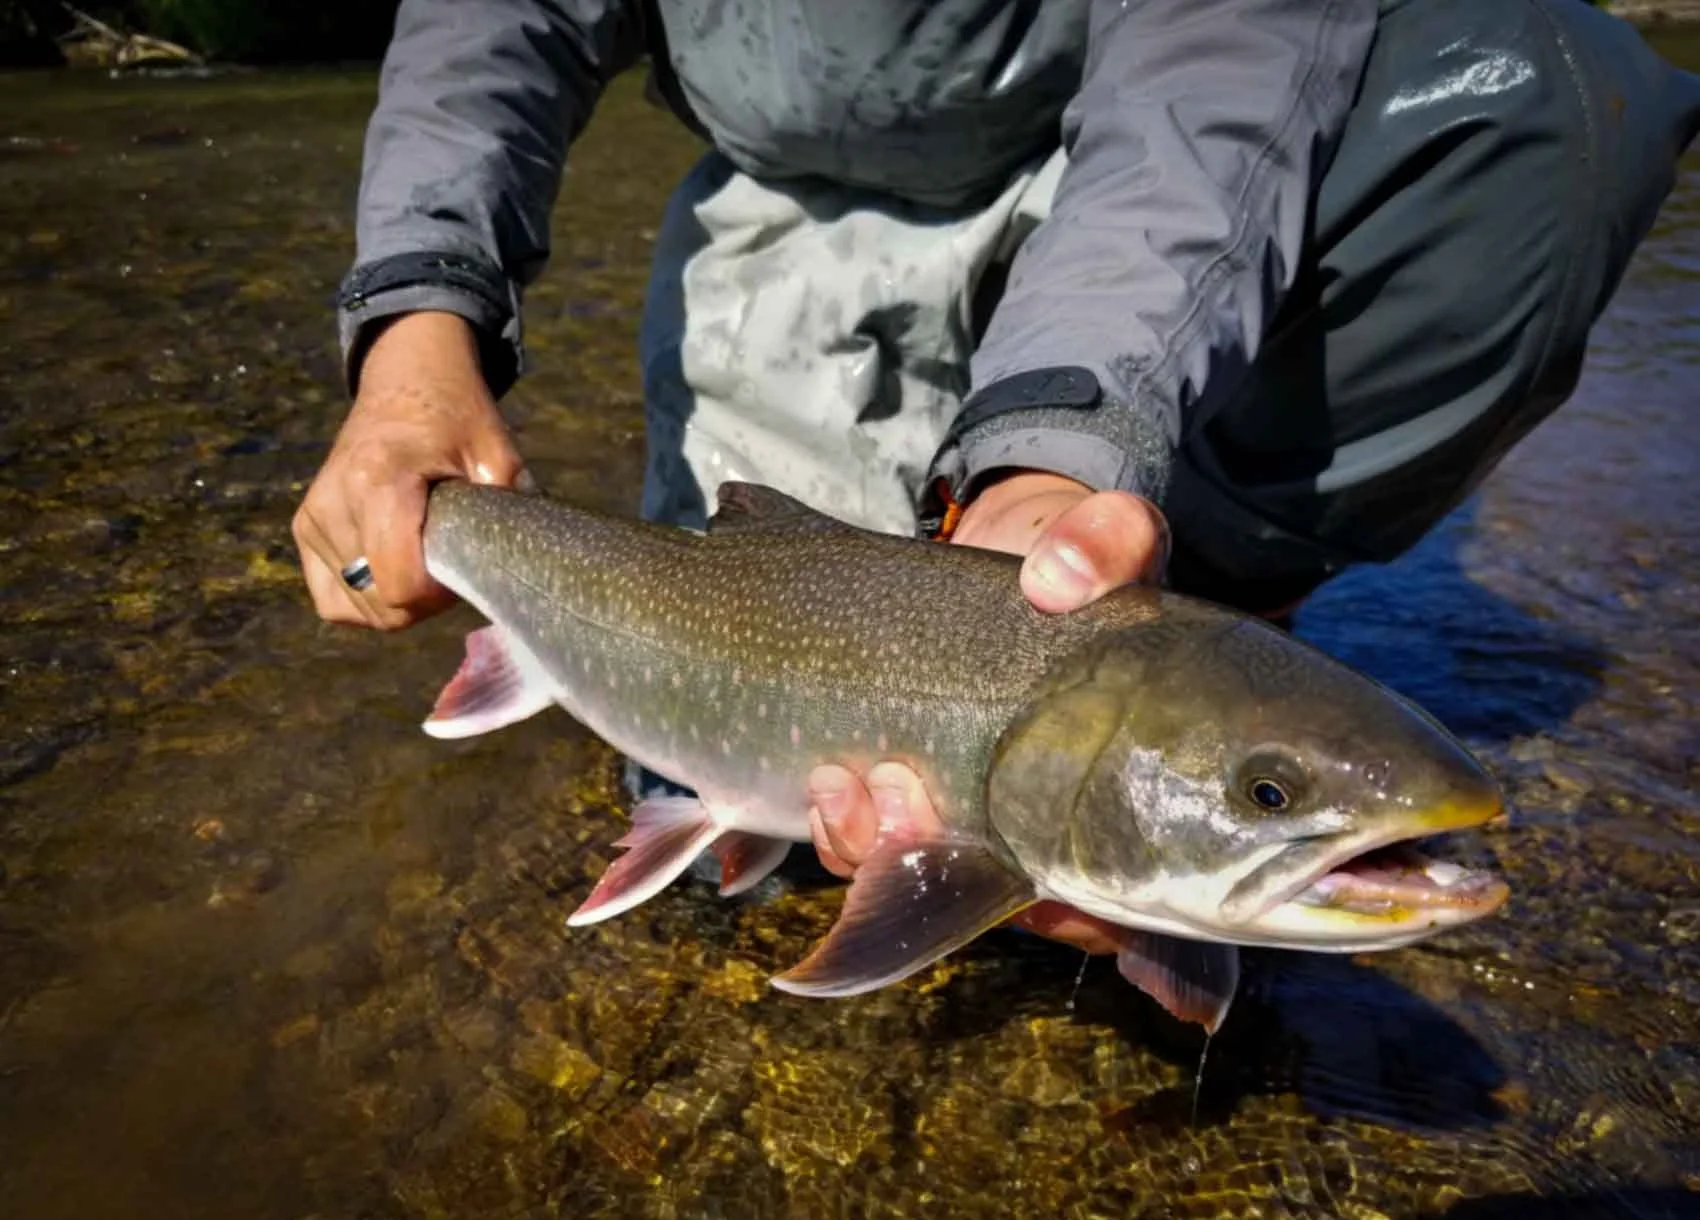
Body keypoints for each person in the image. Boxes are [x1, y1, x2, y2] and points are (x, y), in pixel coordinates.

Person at [294, 0, 1700, 958]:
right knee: (742, 808)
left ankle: (1203, 603)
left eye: (1269, 795)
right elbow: (491, 26)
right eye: (1271, 796)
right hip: (790, 200)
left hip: (1145, 197)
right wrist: (415, 333)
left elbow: (1218, 75)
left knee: (1545, 74)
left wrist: (1054, 467)